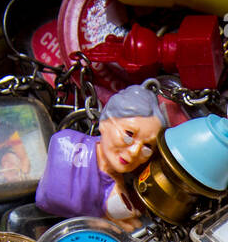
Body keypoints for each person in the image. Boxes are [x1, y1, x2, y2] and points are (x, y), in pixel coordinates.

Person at [35, 84, 165, 227]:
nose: (134, 152)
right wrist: (98, 219)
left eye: (147, 147)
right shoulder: (67, 143)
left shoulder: (118, 183)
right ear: (105, 122)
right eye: (129, 135)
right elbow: (56, 196)